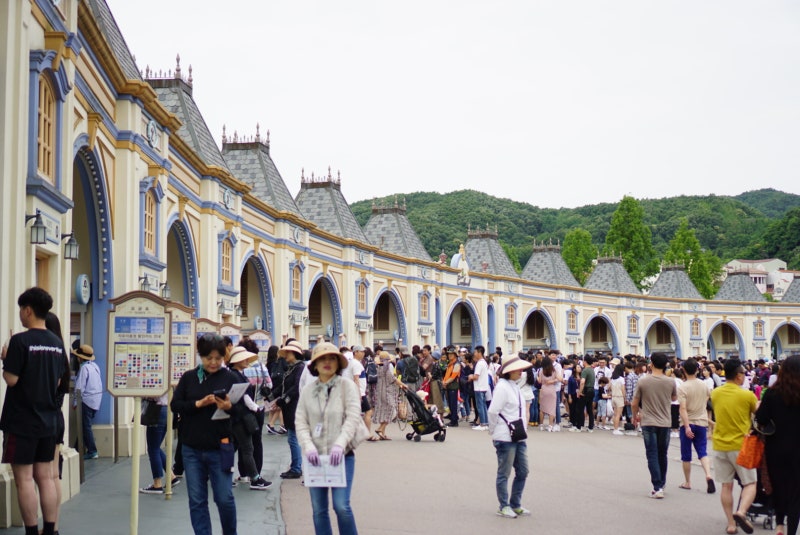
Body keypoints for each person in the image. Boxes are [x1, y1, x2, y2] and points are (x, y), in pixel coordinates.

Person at [0, 287, 69, 535]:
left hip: (22, 421)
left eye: (21, 309)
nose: (20, 314)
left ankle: (31, 530)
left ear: (28, 310)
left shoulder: (20, 341)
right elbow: (60, 381)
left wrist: (5, 359)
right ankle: (50, 530)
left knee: (25, 479)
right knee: (47, 477)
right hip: (49, 421)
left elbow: (11, 380)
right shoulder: (57, 344)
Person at [171, 333, 238, 535]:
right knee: (197, 500)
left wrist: (229, 406)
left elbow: (242, 411)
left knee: (224, 498)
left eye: (218, 358)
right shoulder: (189, 378)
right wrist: (198, 404)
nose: (214, 362)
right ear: (201, 356)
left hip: (221, 447)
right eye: (209, 358)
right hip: (191, 449)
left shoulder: (230, 378)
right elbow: (176, 405)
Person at [295, 342, 362, 535]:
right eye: (322, 359)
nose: (327, 362)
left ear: (338, 363)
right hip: (315, 459)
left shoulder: (346, 387)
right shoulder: (308, 391)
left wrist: (340, 445)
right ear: (314, 365)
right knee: (319, 509)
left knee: (341, 506)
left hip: (342, 457)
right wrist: (308, 447)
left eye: (332, 358)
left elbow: (353, 417)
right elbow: (301, 421)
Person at [710, 359, 759, 535]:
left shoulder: (715, 393)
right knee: (750, 483)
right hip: (741, 445)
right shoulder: (747, 395)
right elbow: (757, 414)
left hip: (720, 444)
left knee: (726, 485)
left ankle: (731, 524)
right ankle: (742, 511)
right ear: (738, 376)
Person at [756, 356, 800, 535]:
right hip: (798, 449)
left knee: (779, 486)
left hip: (776, 448)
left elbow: (761, 419)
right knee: (797, 492)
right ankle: (791, 531)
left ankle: (780, 523)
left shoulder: (772, 393)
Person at [488, 355, 532, 519]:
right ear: (509, 371)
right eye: (518, 369)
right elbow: (493, 411)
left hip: (518, 435)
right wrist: (493, 430)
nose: (521, 371)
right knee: (504, 473)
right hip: (505, 437)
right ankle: (504, 505)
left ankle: (515, 503)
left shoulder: (514, 386)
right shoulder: (502, 387)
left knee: (523, 471)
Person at [631, 352, 677, 499]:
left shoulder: (644, 381)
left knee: (652, 454)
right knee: (662, 454)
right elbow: (674, 398)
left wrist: (635, 416)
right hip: (665, 422)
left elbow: (634, 402)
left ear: (651, 363)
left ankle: (657, 487)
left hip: (648, 421)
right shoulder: (670, 381)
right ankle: (661, 484)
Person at [227, 346, 271, 490]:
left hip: (237, 415)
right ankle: (255, 479)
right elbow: (244, 395)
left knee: (234, 447)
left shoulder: (236, 373)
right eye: (244, 358)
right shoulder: (236, 375)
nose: (247, 360)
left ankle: (224, 474)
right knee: (247, 447)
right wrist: (255, 407)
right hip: (239, 416)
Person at [676, 358, 715, 493]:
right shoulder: (704, 385)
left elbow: (683, 409)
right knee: (702, 452)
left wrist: (686, 426)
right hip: (701, 422)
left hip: (688, 422)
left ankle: (687, 482)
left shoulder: (683, 387)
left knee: (686, 455)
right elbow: (708, 398)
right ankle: (708, 475)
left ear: (684, 370)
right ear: (698, 370)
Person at [273, 340, 306, 479]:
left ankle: (296, 468)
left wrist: (283, 399)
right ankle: (296, 466)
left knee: (293, 438)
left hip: (295, 406)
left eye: (288, 352)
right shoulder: (292, 367)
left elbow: (296, 388)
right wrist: (270, 395)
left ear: (295, 353)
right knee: (292, 437)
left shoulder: (300, 368)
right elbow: (283, 386)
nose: (285, 355)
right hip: (290, 407)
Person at [139, 392, 181, 494]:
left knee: (153, 449)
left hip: (157, 410)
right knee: (156, 447)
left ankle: (157, 484)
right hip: (168, 411)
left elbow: (154, 394)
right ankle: (171, 476)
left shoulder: (159, 379)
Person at [72, 344, 103, 460]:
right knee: (84, 426)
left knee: (85, 427)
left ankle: (92, 451)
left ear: (80, 358)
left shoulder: (84, 368)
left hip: (86, 401)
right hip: (95, 401)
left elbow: (79, 387)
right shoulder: (95, 366)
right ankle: (77, 449)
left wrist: (75, 402)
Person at [371, 350, 406, 440]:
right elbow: (392, 378)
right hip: (388, 391)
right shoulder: (388, 366)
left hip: (379, 391)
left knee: (384, 410)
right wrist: (403, 385)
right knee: (392, 410)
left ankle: (383, 433)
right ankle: (380, 429)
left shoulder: (378, 366)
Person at [537, 356, 561, 431]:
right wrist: (553, 381)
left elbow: (539, 381)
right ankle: (550, 426)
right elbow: (560, 379)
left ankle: (541, 425)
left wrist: (537, 377)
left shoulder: (541, 371)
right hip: (551, 389)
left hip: (544, 389)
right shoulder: (554, 371)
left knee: (542, 409)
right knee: (552, 409)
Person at [470, 345, 489, 430]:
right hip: (484, 387)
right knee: (483, 406)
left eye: (475, 352)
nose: (474, 354)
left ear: (479, 353)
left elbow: (476, 376)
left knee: (480, 406)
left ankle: (482, 424)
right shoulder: (484, 362)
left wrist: (470, 377)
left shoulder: (479, 363)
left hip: (479, 387)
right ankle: (485, 423)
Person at [442, 346, 461, 427]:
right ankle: (453, 418)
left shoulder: (456, 364)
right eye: (448, 354)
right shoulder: (450, 363)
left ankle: (454, 421)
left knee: (453, 404)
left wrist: (445, 383)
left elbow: (453, 376)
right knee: (450, 403)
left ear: (455, 355)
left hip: (453, 386)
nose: (449, 355)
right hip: (449, 385)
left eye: (451, 354)